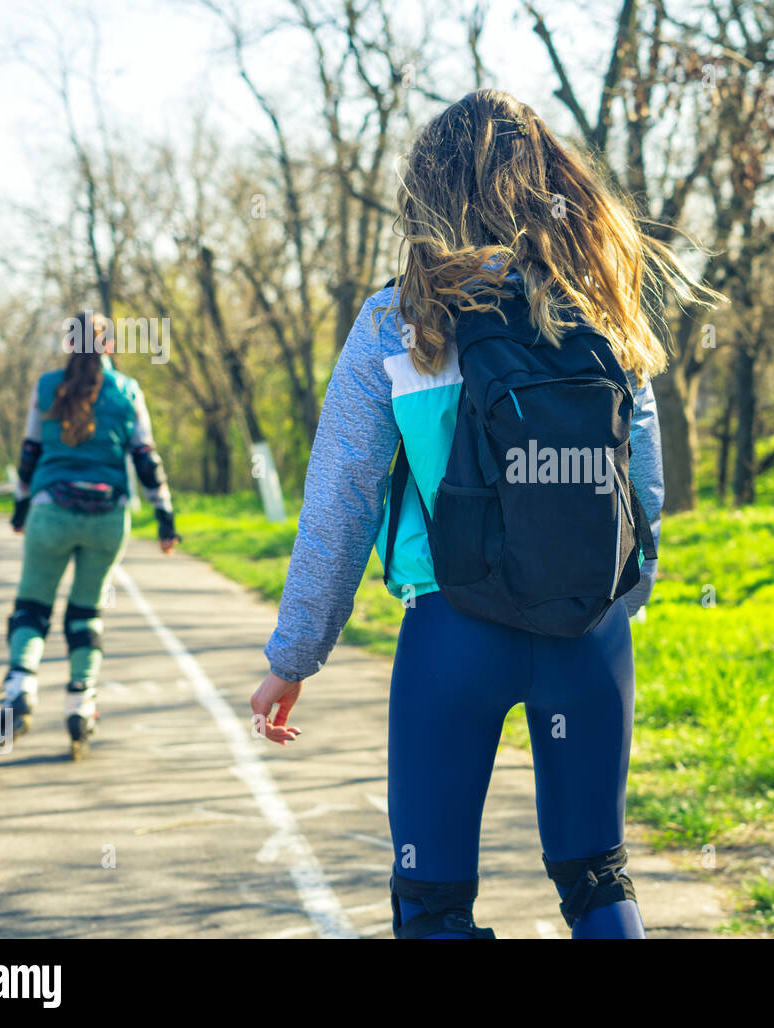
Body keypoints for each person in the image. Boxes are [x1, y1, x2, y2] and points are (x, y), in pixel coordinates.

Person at [253, 89, 722, 938]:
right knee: (597, 879)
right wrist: (622, 598)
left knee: (431, 903)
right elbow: (641, 492)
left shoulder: (396, 323)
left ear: (427, 192)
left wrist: (295, 655)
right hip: (590, 635)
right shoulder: (602, 311)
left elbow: (340, 506)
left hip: (452, 637)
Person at [0, 311, 180, 760]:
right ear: (110, 346)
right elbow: (146, 459)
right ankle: (80, 704)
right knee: (85, 610)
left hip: (50, 509)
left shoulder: (46, 386)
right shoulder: (127, 390)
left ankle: (20, 686)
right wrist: (165, 517)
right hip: (107, 515)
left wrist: (20, 507)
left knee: (32, 607)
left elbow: (30, 452)